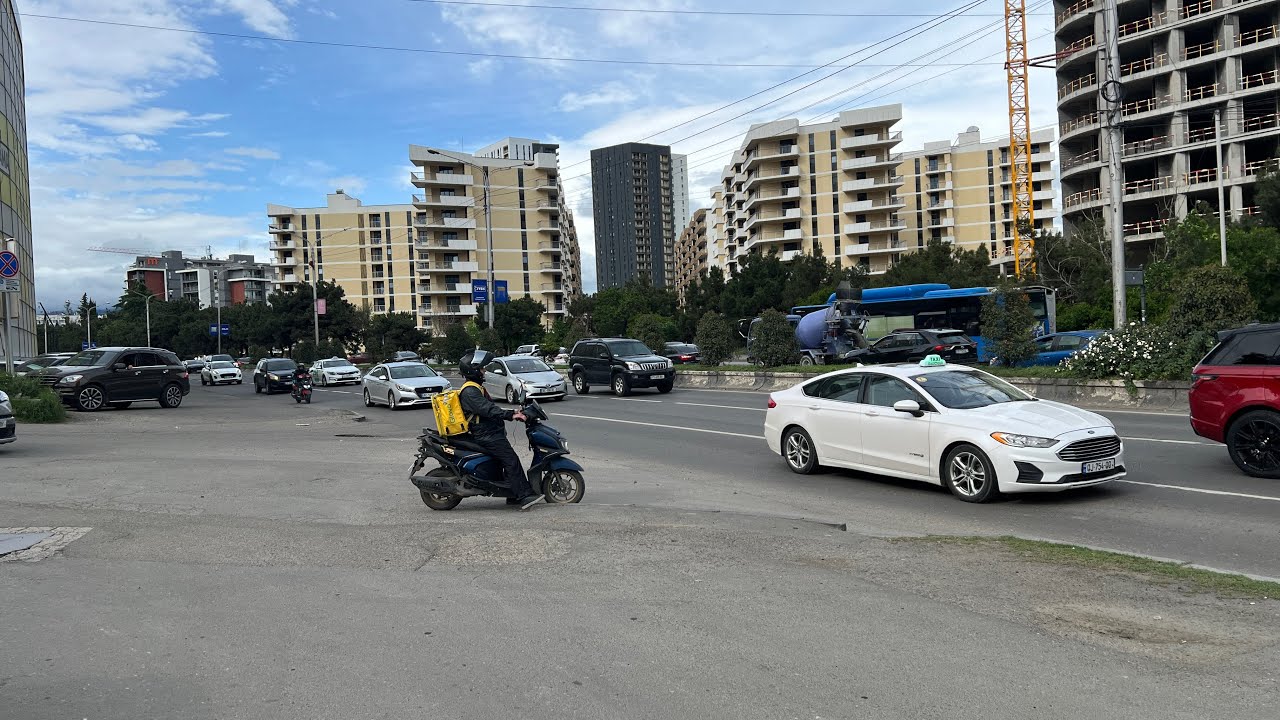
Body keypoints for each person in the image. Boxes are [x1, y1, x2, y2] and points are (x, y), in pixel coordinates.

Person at [458, 349, 540, 508]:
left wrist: (515, 411)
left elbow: (489, 407)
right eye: (482, 369)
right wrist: (511, 415)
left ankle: (511, 493)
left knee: (505, 460)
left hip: (490, 432)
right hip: (486, 434)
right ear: (473, 370)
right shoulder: (470, 391)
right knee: (511, 460)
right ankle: (523, 495)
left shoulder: (475, 387)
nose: (484, 372)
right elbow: (487, 409)